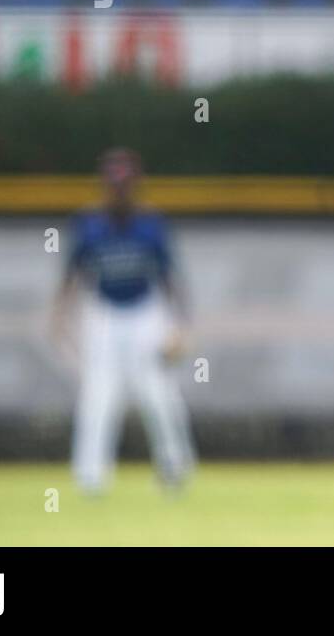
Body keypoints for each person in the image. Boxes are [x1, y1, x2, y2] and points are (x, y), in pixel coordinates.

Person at [53, 147, 196, 494]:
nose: (119, 190)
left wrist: (179, 324)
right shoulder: (88, 224)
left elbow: (171, 278)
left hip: (146, 312)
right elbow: (72, 276)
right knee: (99, 396)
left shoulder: (151, 224)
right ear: (104, 186)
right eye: (114, 184)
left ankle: (174, 467)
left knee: (159, 394)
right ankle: (90, 475)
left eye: (125, 184)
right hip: (103, 313)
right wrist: (60, 318)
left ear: (135, 185)